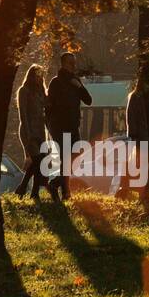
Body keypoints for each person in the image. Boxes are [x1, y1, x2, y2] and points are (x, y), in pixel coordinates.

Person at [44, 51, 92, 201]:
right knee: (66, 158)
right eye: (71, 63)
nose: (74, 65)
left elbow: (88, 100)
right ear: (64, 64)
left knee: (76, 156)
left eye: (74, 63)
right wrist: (51, 125)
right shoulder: (56, 82)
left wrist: (79, 87)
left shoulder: (75, 81)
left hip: (73, 125)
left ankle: (55, 183)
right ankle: (66, 193)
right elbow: (49, 106)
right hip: (59, 125)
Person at [13, 64, 52, 199]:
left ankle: (26, 189)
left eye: (41, 76)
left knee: (39, 162)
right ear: (31, 76)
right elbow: (22, 114)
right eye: (36, 76)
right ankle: (30, 190)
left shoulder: (41, 92)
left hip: (41, 131)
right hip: (28, 129)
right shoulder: (24, 91)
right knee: (36, 160)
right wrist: (28, 134)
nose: (39, 79)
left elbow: (48, 108)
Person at [122, 75, 149, 203]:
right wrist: (134, 135)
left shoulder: (138, 97)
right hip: (143, 138)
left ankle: (146, 195)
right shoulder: (136, 97)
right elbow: (131, 118)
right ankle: (145, 195)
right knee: (146, 168)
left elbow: (130, 118)